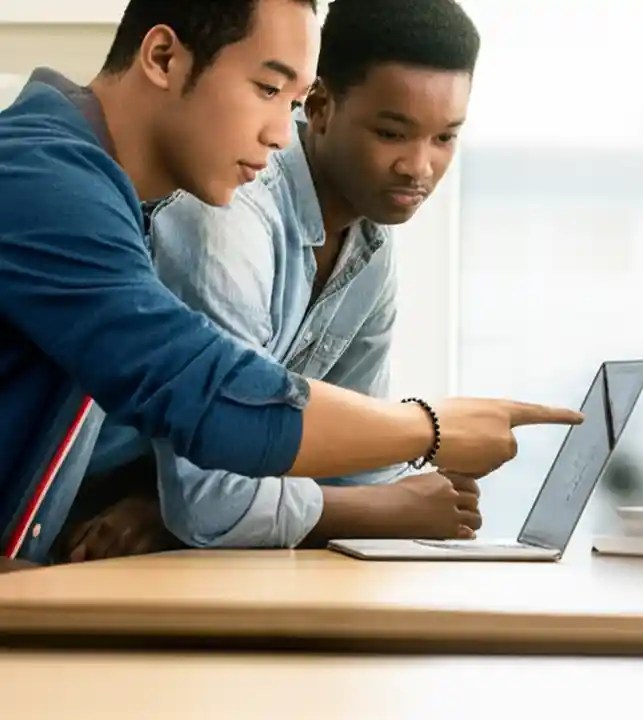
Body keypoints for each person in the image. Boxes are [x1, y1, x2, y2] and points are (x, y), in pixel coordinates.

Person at [0, 0, 580, 568]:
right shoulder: (45, 181)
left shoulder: (99, 190)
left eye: (295, 101)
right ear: (162, 57)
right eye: (267, 90)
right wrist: (425, 427)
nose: (283, 134)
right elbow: (204, 396)